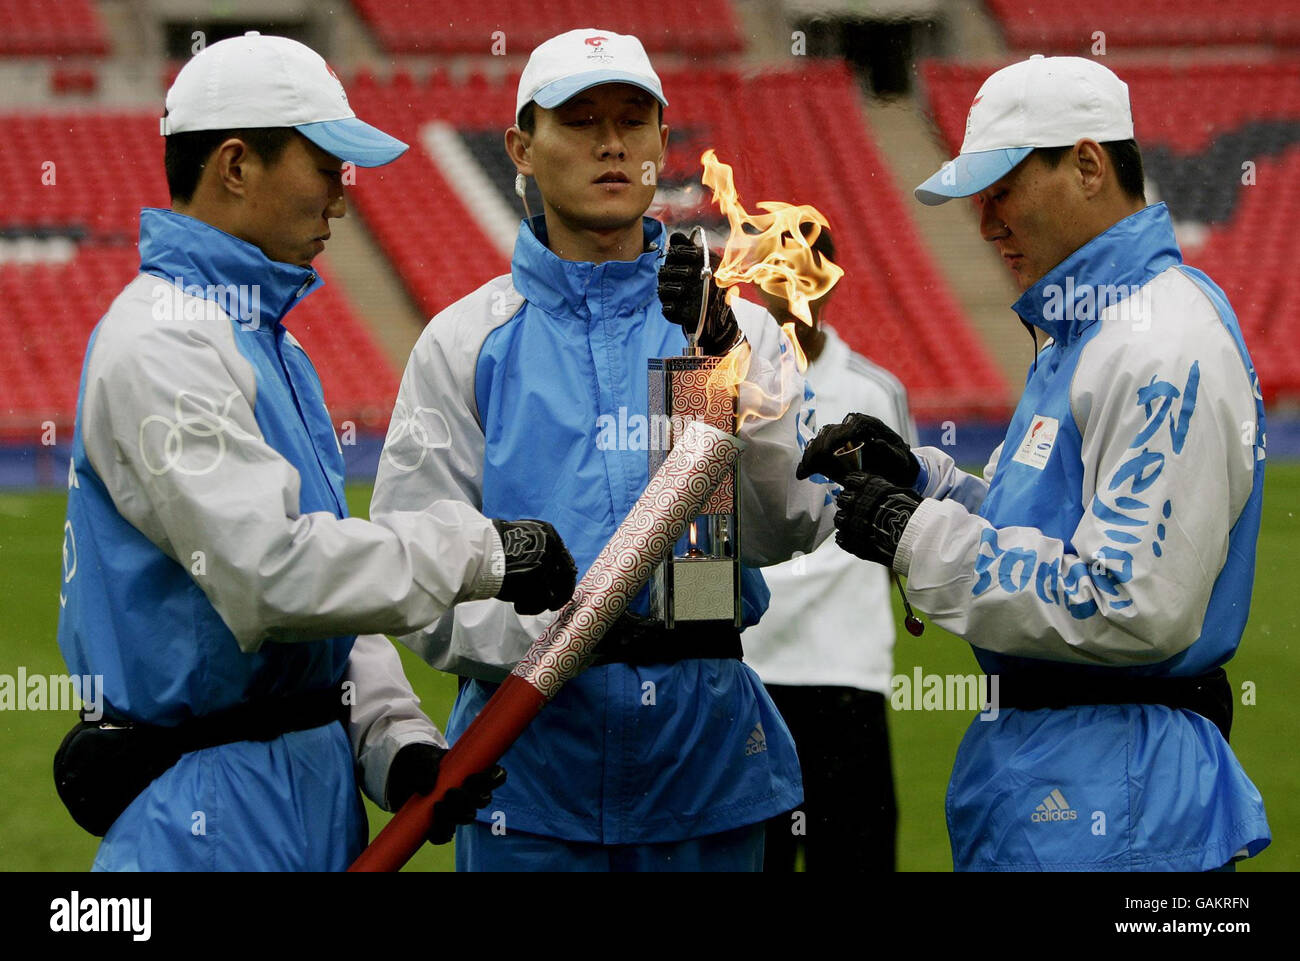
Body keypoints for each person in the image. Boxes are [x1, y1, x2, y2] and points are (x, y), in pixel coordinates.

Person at [55, 32, 575, 871]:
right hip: (207, 816)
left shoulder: (268, 344)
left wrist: (393, 742)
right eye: (327, 164)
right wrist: (484, 550)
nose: (343, 196)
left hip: (298, 796)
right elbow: (274, 576)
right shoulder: (164, 340)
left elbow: (326, 606)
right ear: (235, 165)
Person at [371, 27, 835, 871]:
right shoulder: (464, 341)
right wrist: (560, 638)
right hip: (527, 784)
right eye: (579, 120)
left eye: (632, 119)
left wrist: (719, 366)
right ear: (521, 147)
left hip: (711, 778)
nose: (611, 142)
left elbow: (786, 525)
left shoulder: (730, 328)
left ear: (663, 141)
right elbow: (414, 566)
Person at [799, 55, 1270, 871]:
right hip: (1077, 782)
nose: (986, 224)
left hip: (1121, 804)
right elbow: (1052, 531)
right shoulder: (1091, 331)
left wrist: (917, 535)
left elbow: (1127, 599)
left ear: (1088, 164)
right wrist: (923, 482)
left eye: (1002, 190)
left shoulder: (1156, 339)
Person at [743, 228, 911, 872]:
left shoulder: (874, 393)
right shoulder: (727, 384)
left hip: (844, 668)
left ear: (826, 283)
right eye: (774, 276)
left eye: (801, 275)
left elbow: (909, 515)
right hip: (751, 669)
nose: (786, 294)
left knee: (855, 857)